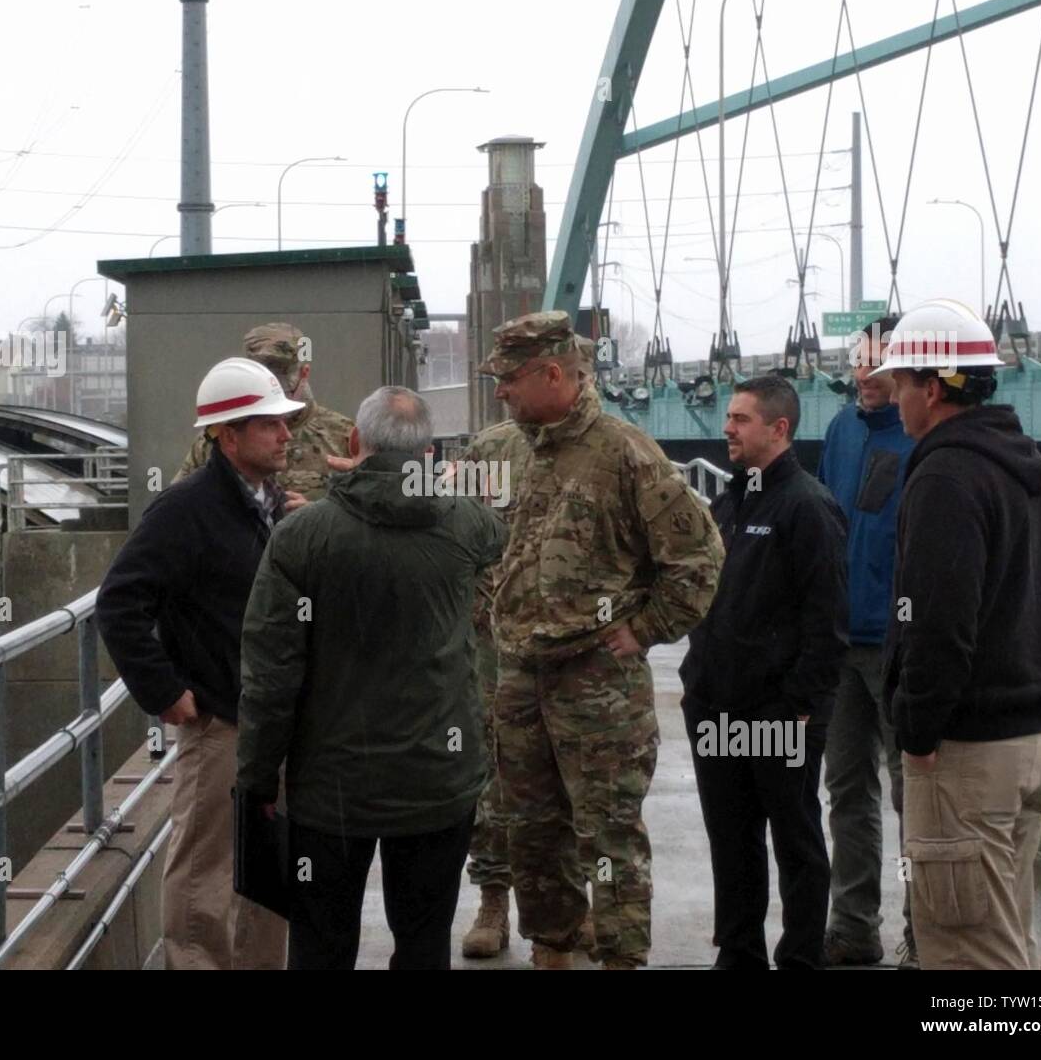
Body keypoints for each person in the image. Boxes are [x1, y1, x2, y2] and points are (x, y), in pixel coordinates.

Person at [481, 311, 723, 970]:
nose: (501, 391)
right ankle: (553, 946)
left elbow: (698, 558)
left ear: (551, 374)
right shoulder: (514, 451)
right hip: (521, 675)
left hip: (597, 683)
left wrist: (644, 629)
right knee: (532, 829)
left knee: (609, 832)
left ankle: (619, 956)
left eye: (509, 378)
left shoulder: (625, 453)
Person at [236, 386, 505, 970]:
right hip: (438, 781)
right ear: (429, 452)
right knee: (425, 943)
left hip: (331, 788)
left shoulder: (302, 537)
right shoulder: (463, 523)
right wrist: (435, 484)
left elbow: (271, 676)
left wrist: (256, 779)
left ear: (354, 440)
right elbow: (497, 531)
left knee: (321, 946)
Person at [96, 357, 304, 970]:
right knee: (202, 876)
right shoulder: (186, 509)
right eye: (269, 424)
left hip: (272, 722)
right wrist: (164, 691)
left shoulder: (269, 504)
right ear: (228, 436)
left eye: (285, 423)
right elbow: (119, 602)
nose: (286, 435)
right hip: (219, 723)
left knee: (267, 871)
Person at [874, 299, 1041, 970]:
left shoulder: (946, 476)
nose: (894, 397)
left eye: (900, 383)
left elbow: (937, 623)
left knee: (965, 952)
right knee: (1005, 940)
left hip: (967, 753)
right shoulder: (1026, 466)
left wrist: (919, 733)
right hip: (1029, 740)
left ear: (933, 388)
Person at [680, 374, 849, 970]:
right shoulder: (730, 502)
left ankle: (801, 957)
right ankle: (739, 952)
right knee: (731, 838)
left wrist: (799, 704)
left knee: (796, 839)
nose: (727, 428)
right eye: (728, 416)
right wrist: (696, 685)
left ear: (778, 429)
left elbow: (828, 621)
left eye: (740, 419)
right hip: (715, 703)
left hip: (778, 711)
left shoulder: (807, 506)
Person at [458, 336, 597, 961]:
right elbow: (455, 535)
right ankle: (493, 896)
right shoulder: (491, 450)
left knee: (577, 777)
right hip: (497, 646)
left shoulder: (607, 449)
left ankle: (575, 903)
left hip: (576, 647)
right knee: (496, 773)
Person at [817, 316, 918, 968]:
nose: (864, 373)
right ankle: (854, 926)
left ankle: (924, 933)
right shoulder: (840, 431)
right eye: (858, 360)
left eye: (877, 363)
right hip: (840, 640)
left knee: (916, 798)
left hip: (898, 644)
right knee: (847, 789)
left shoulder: (921, 438)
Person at [175, 322, 353, 498]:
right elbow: (179, 504)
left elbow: (365, 508)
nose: (274, 392)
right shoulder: (221, 438)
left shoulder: (344, 435)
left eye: (282, 385)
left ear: (304, 373)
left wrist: (317, 513)